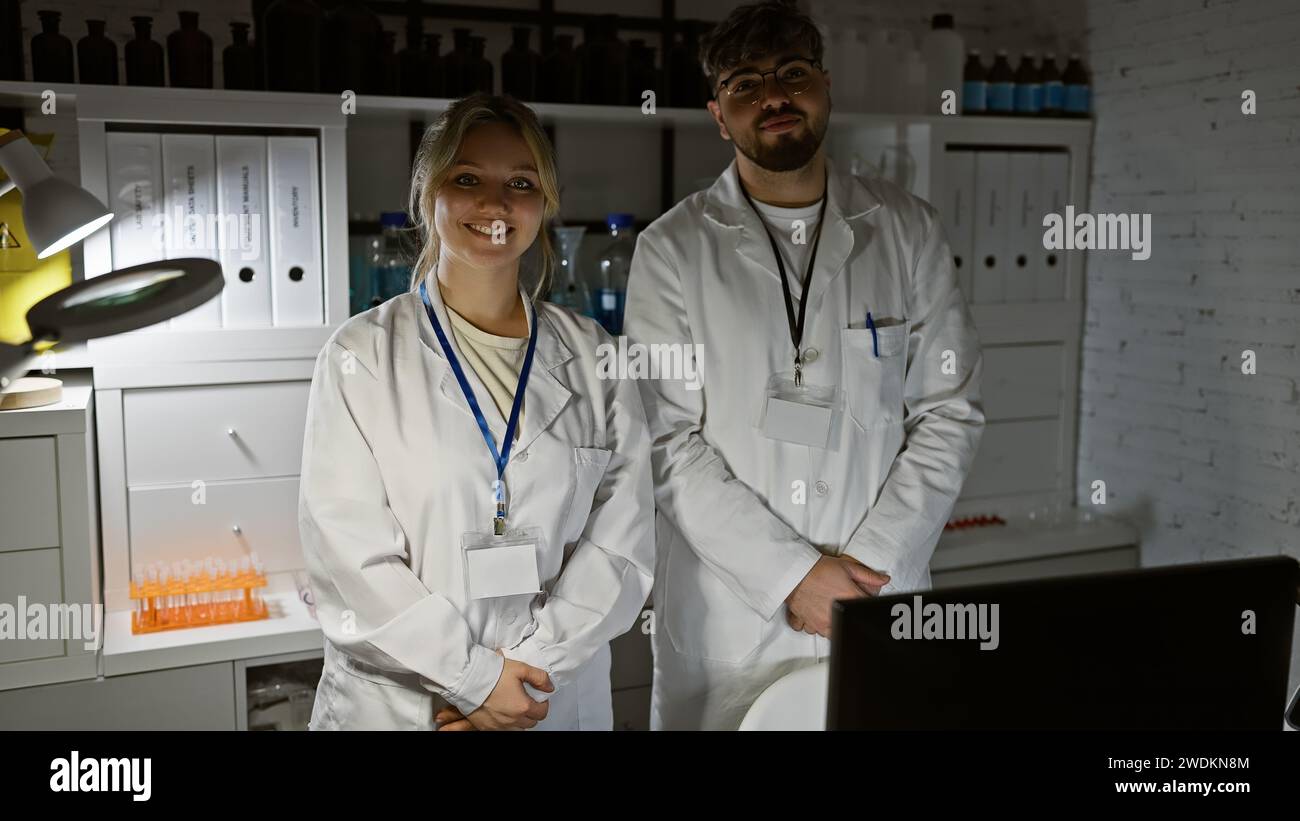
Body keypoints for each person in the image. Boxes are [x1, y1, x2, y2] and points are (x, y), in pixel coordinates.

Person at [624, 0, 986, 730]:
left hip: (877, 599)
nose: (774, 97)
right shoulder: (673, 250)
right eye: (745, 83)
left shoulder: (906, 230)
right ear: (719, 115)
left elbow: (950, 409)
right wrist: (793, 575)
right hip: (733, 625)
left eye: (792, 73)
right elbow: (667, 442)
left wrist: (862, 573)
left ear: (825, 86)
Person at [299, 93, 655, 730]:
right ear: (426, 194)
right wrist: (473, 680)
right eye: (467, 179)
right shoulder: (361, 356)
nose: (494, 205)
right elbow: (346, 558)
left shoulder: (595, 356)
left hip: (549, 699)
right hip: (411, 705)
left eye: (520, 182)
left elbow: (623, 545)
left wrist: (515, 687)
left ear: (544, 203)